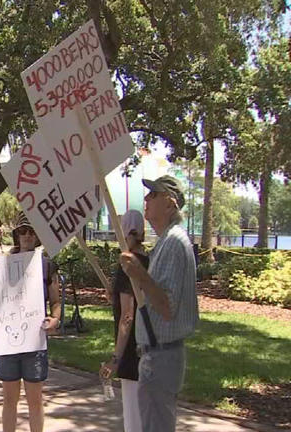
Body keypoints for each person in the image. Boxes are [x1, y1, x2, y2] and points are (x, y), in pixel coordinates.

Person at [119, 175, 199, 432]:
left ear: (170, 204)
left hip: (161, 357)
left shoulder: (174, 242)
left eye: (153, 194)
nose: (146, 199)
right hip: (157, 355)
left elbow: (166, 307)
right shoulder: (166, 241)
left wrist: (140, 275)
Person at [0, 211, 61, 432]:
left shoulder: (47, 266)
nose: (27, 235)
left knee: (35, 400)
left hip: (34, 341)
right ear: (16, 235)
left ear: (37, 236)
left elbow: (56, 302)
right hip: (9, 341)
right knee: (9, 399)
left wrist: (55, 319)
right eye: (22, 231)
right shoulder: (3, 265)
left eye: (31, 232)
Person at [101, 210, 148, 432]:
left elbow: (127, 316)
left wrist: (115, 358)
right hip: (151, 349)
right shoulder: (150, 262)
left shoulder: (127, 267)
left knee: (134, 422)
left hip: (131, 353)